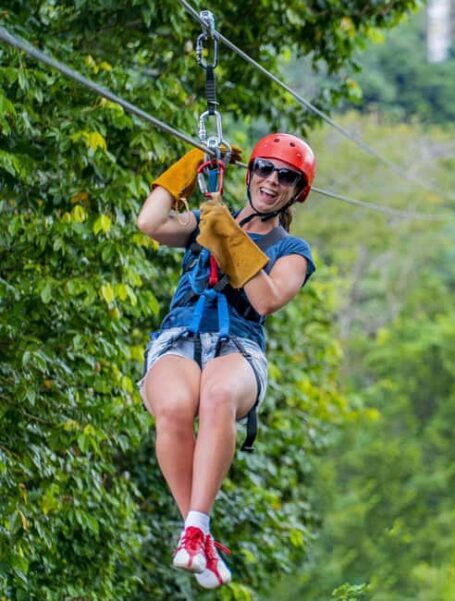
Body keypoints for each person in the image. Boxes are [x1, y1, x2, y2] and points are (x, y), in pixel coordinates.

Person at [136, 133, 317, 589]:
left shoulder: (292, 252)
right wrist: (194, 162)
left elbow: (267, 298)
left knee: (217, 396)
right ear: (250, 172)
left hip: (237, 345)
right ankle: (198, 534)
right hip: (181, 334)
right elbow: (150, 222)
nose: (272, 182)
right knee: (174, 408)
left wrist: (228, 233)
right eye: (264, 170)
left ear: (298, 191)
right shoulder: (205, 219)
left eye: (286, 177)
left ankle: (197, 526)